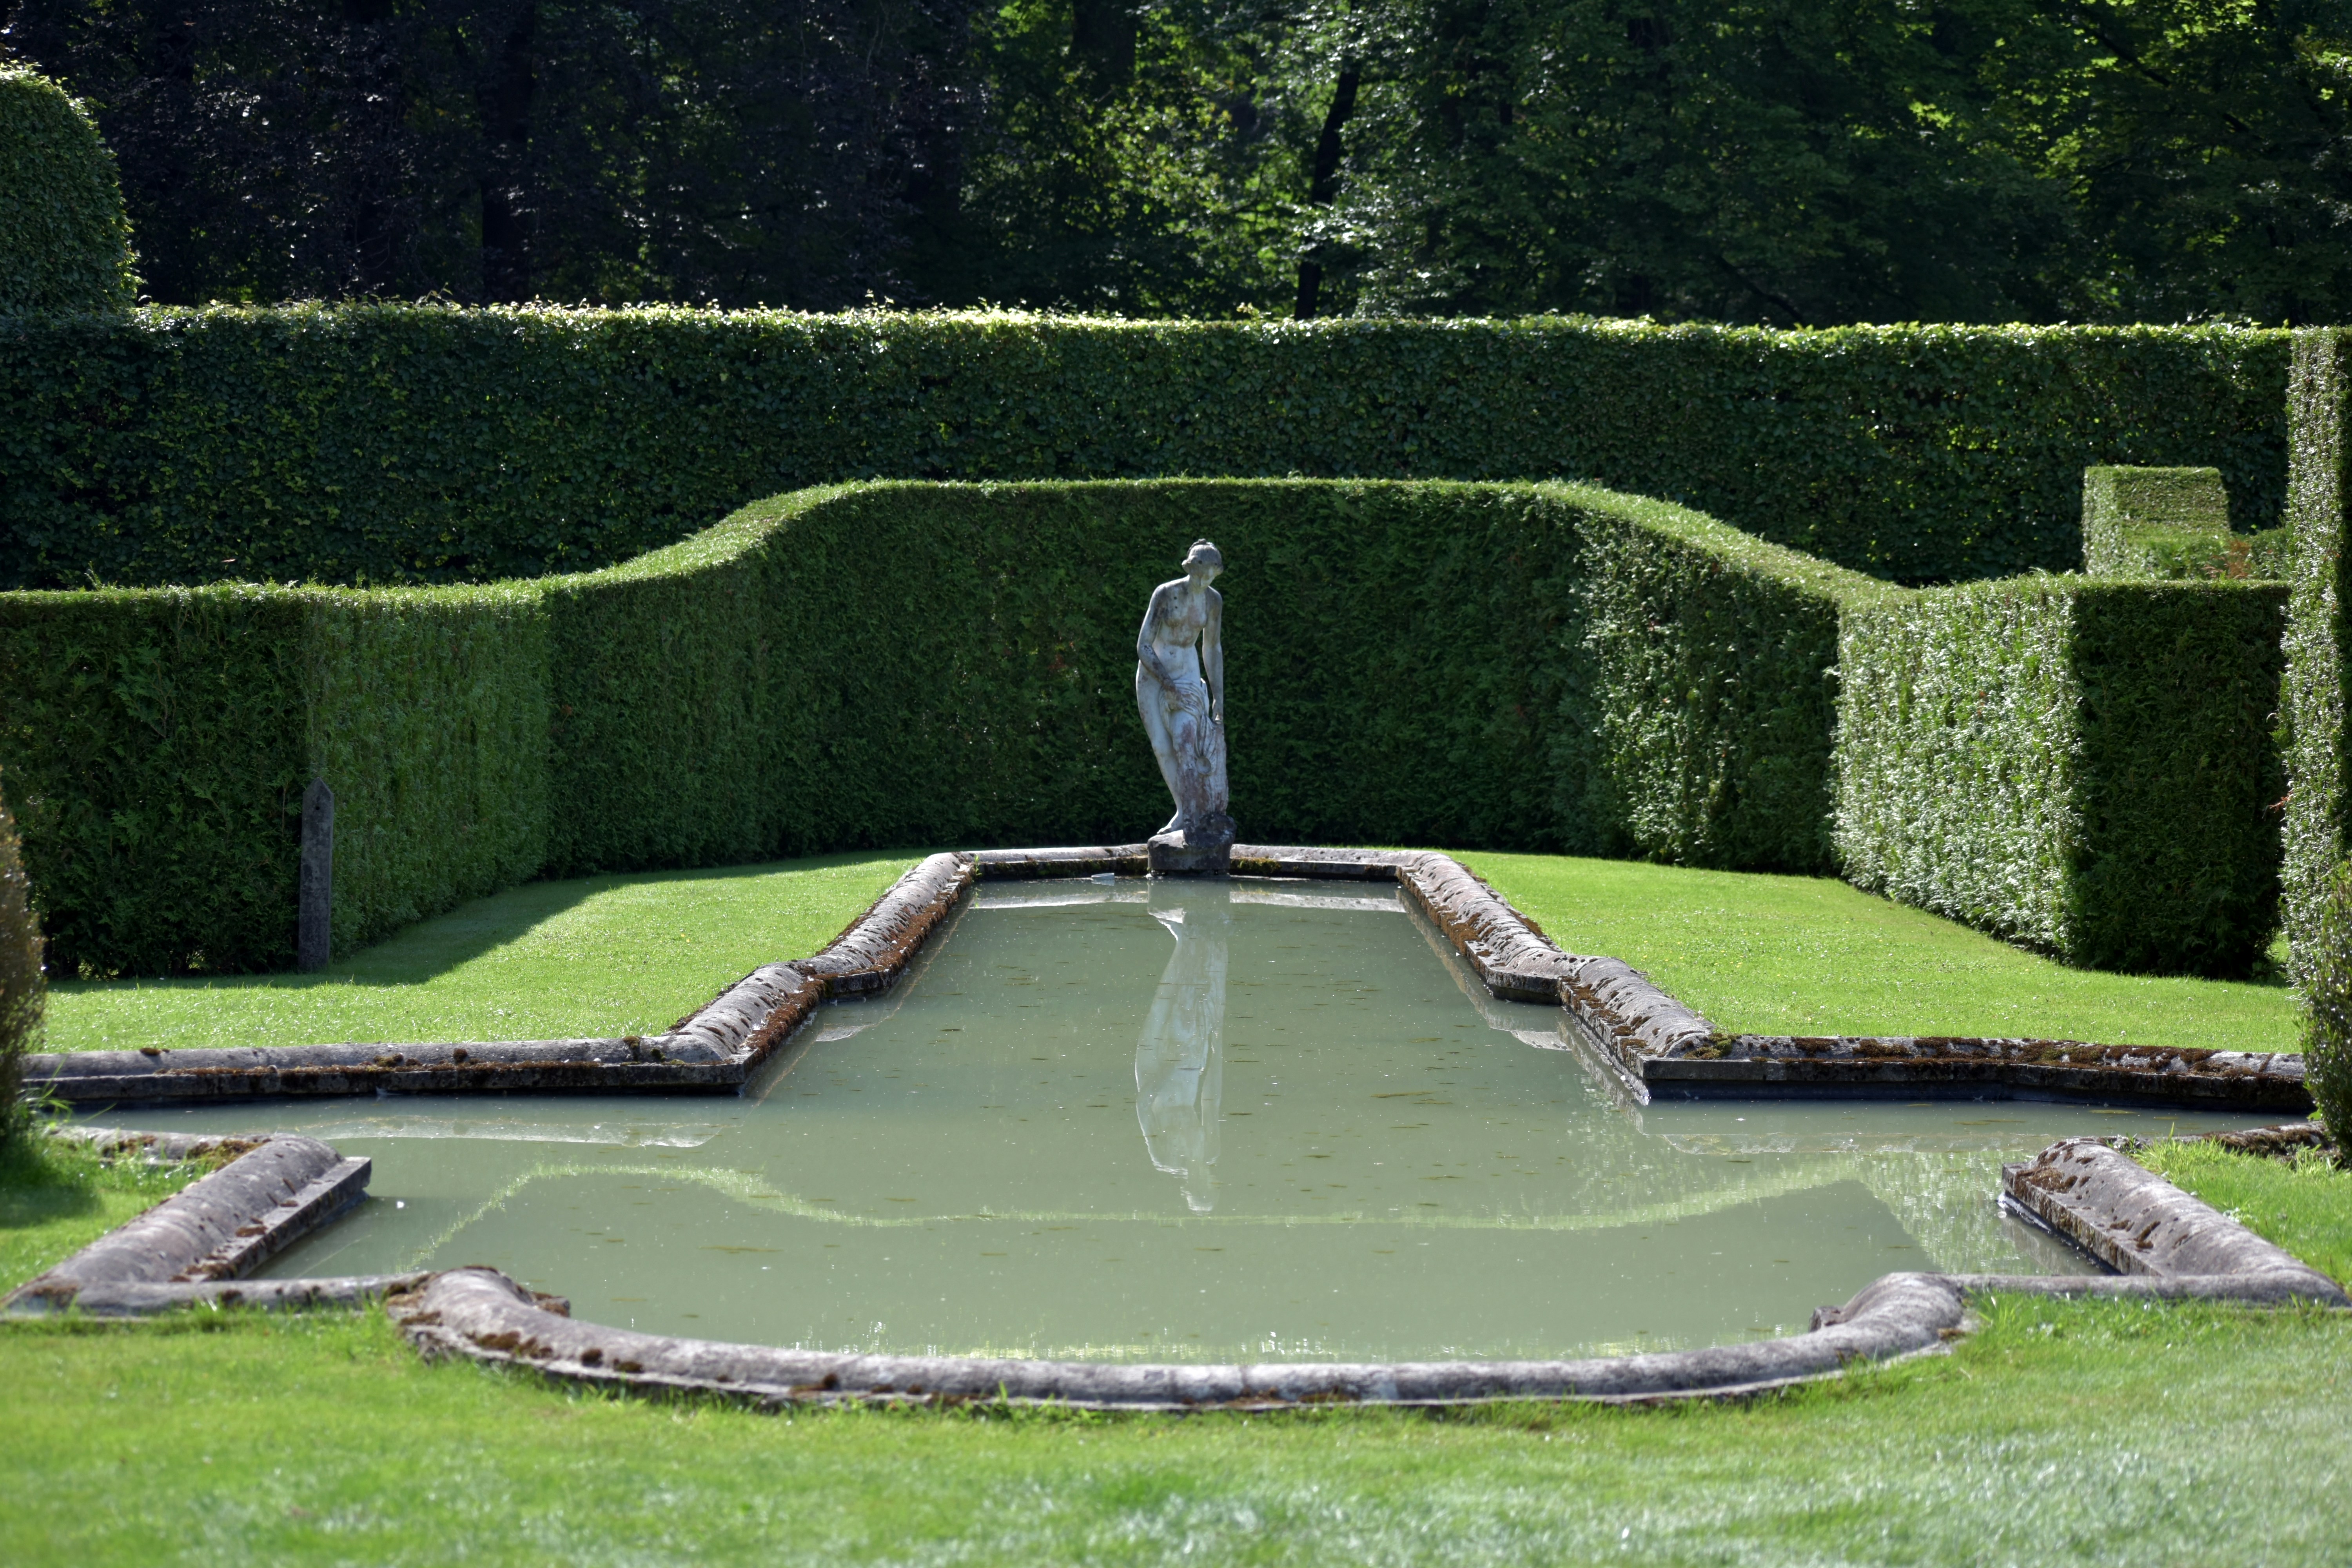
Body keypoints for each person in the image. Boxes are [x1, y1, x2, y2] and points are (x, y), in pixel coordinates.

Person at [1134, 539, 1229, 840]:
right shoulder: (1166, 594)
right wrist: (1166, 682)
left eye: (1211, 576)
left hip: (1187, 676)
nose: (1205, 581)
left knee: (1185, 740)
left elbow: (1212, 647)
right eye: (1200, 574)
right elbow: (1143, 645)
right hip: (1154, 675)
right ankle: (1182, 810)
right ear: (1190, 568)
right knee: (1163, 748)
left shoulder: (1213, 601)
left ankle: (1193, 817)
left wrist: (1218, 696)